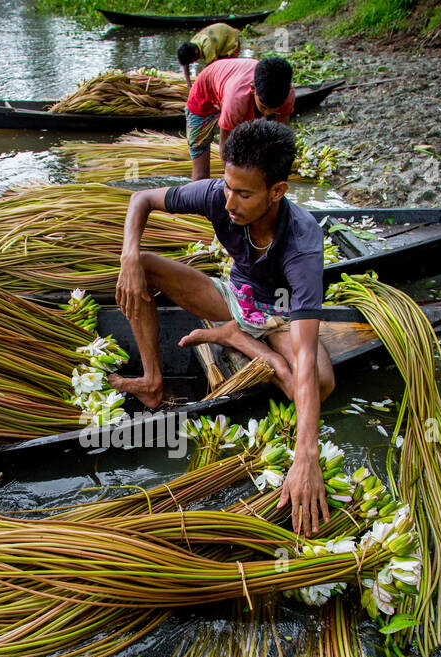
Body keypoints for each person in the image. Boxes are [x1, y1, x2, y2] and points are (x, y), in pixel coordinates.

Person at [110, 118, 334, 536]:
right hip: (232, 297)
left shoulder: (302, 244)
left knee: (319, 382)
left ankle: (242, 341)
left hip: (279, 317)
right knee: (138, 268)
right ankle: (153, 380)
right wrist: (128, 255)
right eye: (228, 186)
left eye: (244, 194)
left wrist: (307, 455)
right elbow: (140, 198)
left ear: (277, 191)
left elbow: (304, 351)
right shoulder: (218, 196)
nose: (230, 202)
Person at [185, 56, 294, 181]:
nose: (268, 113)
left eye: (274, 108)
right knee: (201, 176)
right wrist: (234, 182)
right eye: (264, 107)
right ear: (253, 90)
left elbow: (282, 140)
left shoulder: (287, 95)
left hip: (232, 87)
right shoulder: (236, 100)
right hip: (204, 99)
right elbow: (225, 145)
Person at [176, 22, 242, 85]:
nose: (193, 63)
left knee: (225, 71)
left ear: (196, 53)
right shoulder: (192, 44)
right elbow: (185, 64)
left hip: (231, 39)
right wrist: (189, 85)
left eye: (192, 61)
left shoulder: (207, 48)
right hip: (219, 37)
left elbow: (210, 71)